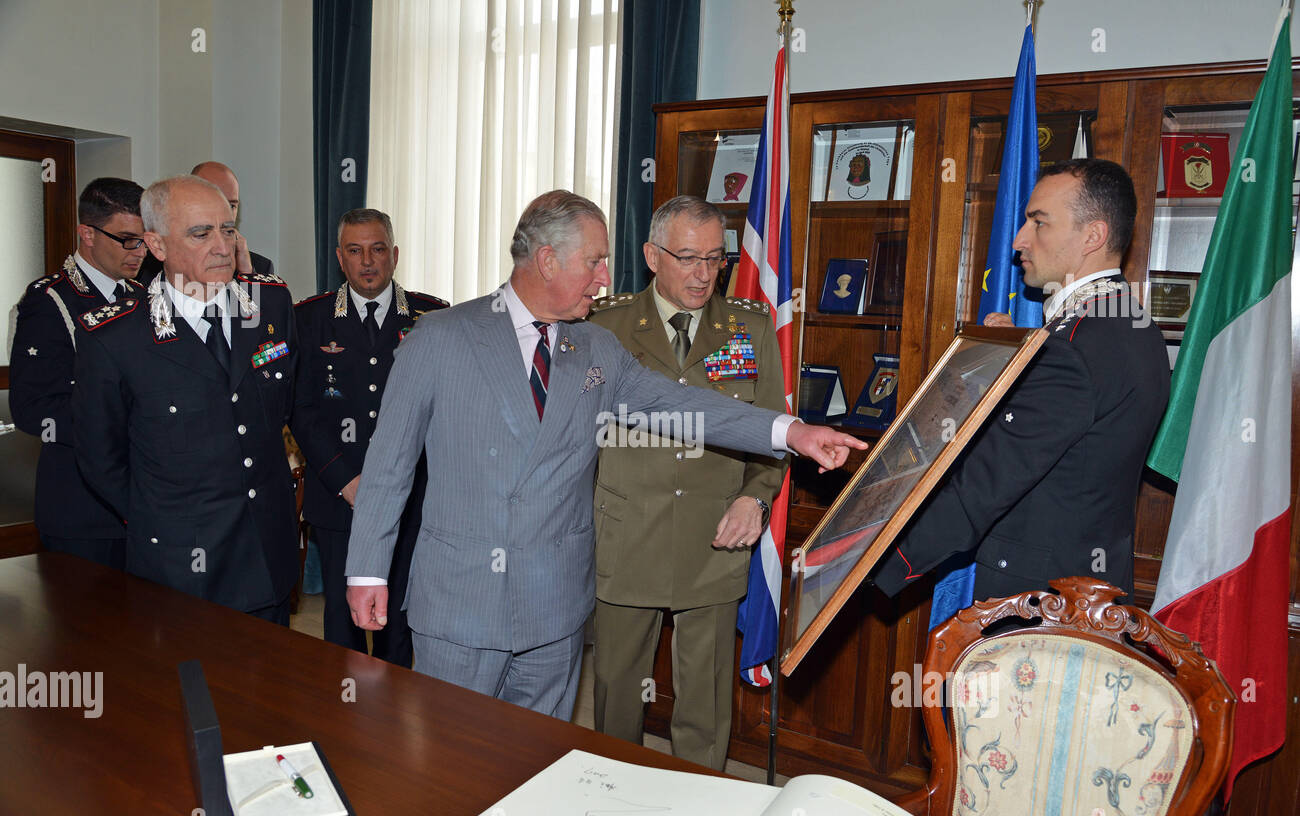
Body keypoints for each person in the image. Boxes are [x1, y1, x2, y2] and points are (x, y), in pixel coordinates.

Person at [344, 189, 864, 719]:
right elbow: (388, 467)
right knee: (451, 757)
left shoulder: (594, 348)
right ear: (547, 260)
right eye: (594, 262)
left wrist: (792, 432)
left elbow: (680, 403)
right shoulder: (440, 338)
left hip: (554, 609)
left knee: (537, 762)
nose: (604, 279)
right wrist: (367, 573)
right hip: (462, 605)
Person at [873, 159, 1169, 602]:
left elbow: (988, 482)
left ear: (1094, 236)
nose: (1018, 240)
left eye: (1039, 223)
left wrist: (872, 561)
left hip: (1042, 604)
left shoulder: (1073, 344)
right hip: (1089, 590)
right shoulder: (1131, 323)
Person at [72, 175, 340, 624]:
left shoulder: (270, 305)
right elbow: (101, 460)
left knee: (269, 690)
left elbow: (291, 407)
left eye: (228, 229)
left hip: (266, 556)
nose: (223, 247)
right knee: (190, 692)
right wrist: (164, 523)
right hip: (180, 568)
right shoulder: (115, 336)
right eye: (201, 233)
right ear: (156, 245)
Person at [588, 196, 785, 770]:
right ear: (652, 256)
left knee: (705, 700)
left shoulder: (746, 329)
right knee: (618, 693)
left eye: (715, 260)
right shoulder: (606, 327)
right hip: (627, 535)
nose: (704, 274)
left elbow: (770, 431)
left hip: (713, 536)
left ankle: (702, 809)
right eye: (688, 258)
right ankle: (610, 799)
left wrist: (756, 495)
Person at [294, 208, 449, 665]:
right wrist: (345, 481)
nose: (368, 262)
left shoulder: (433, 317)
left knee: (399, 622)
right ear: (340, 259)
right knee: (343, 624)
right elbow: (301, 411)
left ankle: (394, 726)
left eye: (378, 249)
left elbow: (445, 410)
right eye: (356, 251)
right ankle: (340, 722)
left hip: (412, 498)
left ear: (394, 255)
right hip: (339, 493)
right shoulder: (309, 319)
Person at [10, 178, 147, 568]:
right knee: (84, 628)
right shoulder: (49, 300)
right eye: (127, 239)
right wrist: (127, 421)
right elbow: (32, 408)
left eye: (144, 239)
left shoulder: (140, 297)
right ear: (87, 233)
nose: (139, 251)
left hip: (140, 496)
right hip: (81, 503)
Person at [137, 161, 273, 285]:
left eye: (231, 205)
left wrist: (247, 275)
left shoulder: (258, 267)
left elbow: (257, 310)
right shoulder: (143, 266)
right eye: (201, 235)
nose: (224, 250)